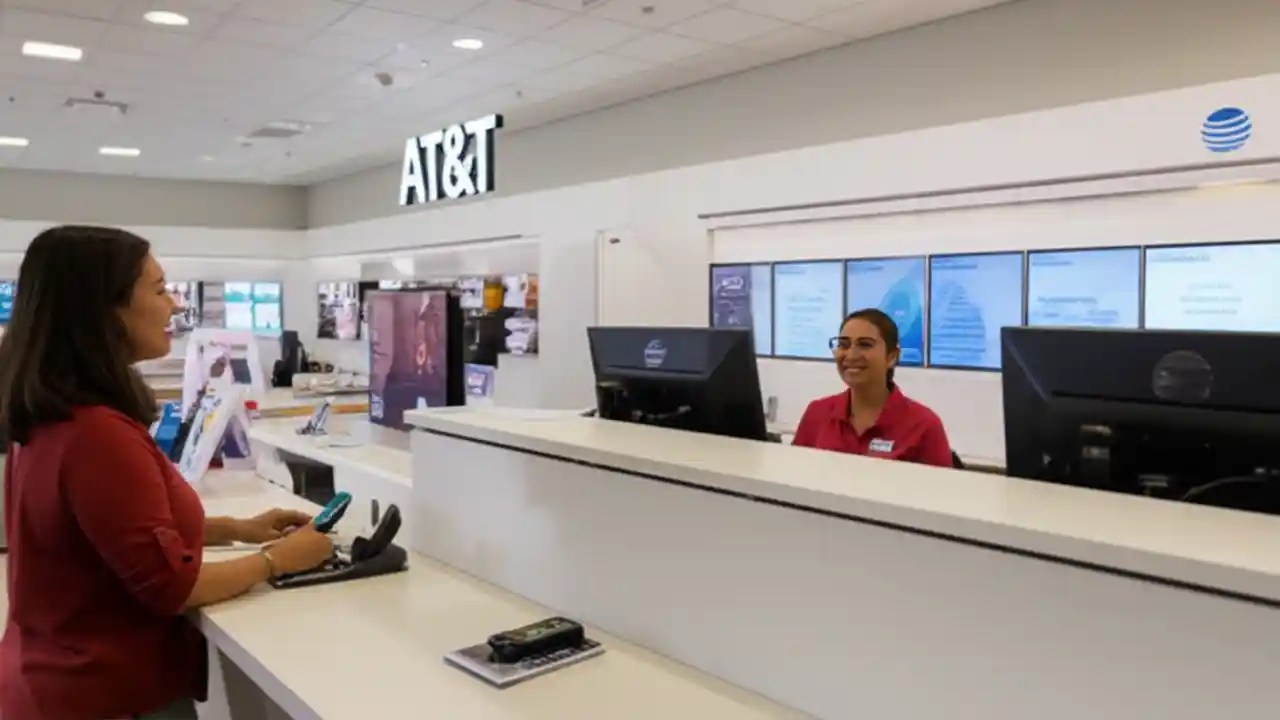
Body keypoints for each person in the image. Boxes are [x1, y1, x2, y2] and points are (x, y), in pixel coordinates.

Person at [0, 226, 335, 720]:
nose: (174, 306)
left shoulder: (53, 416)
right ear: (104, 309)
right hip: (101, 695)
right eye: (159, 290)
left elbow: (109, 534)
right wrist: (276, 560)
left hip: (50, 681)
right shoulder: (98, 435)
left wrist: (238, 529)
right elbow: (170, 587)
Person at [793, 308, 953, 467]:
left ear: (892, 357)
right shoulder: (817, 413)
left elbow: (942, 483)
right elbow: (794, 475)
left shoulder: (924, 425)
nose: (851, 355)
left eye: (865, 344)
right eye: (844, 344)